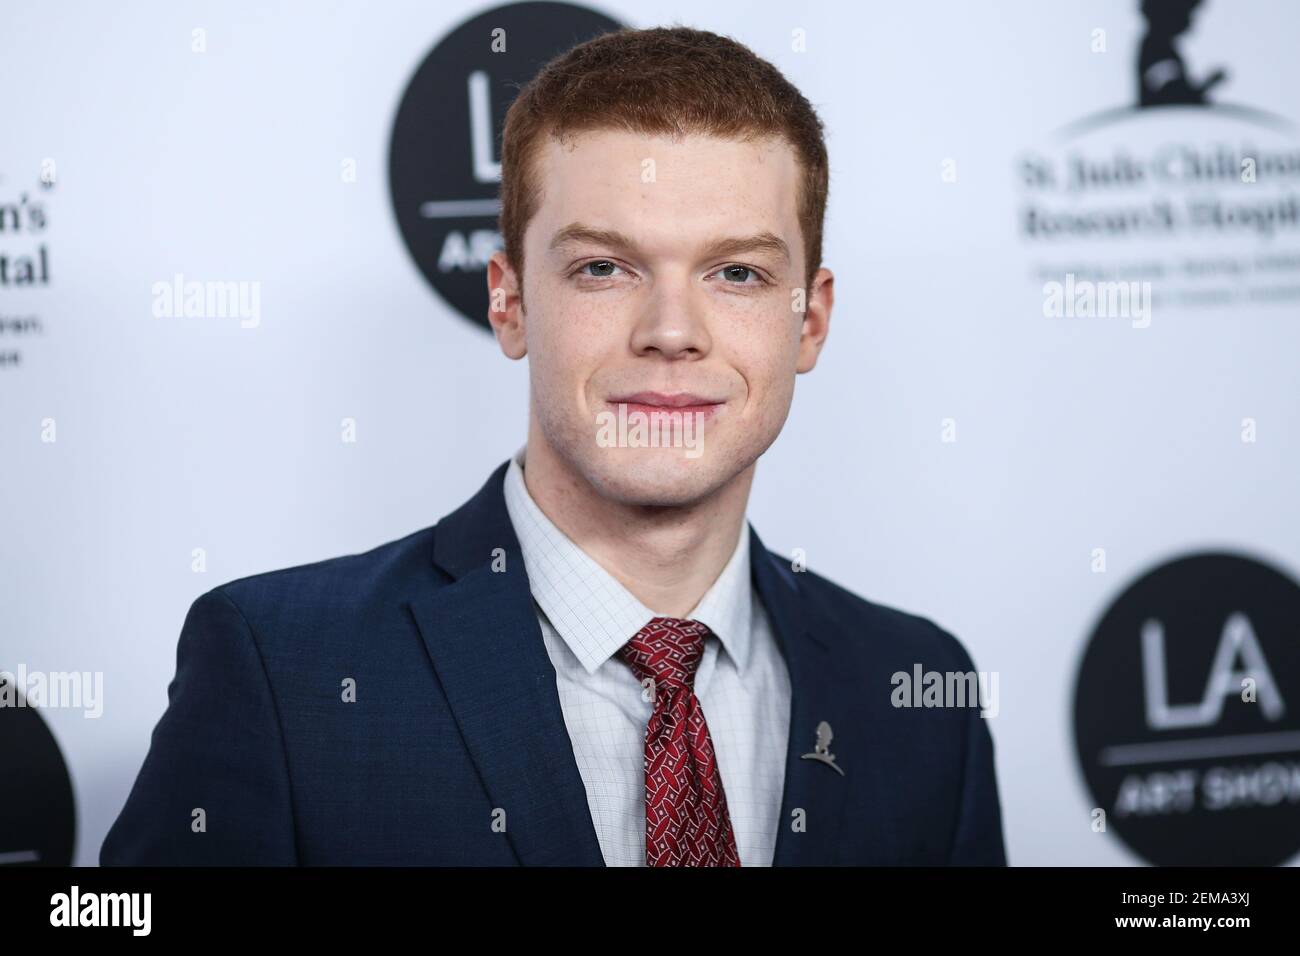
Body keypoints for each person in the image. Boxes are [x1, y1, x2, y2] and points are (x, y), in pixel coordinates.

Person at [101, 25, 1007, 867]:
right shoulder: (281, 671)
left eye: (736, 273)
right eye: (604, 268)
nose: (671, 331)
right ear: (510, 303)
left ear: (808, 320)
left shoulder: (918, 692)